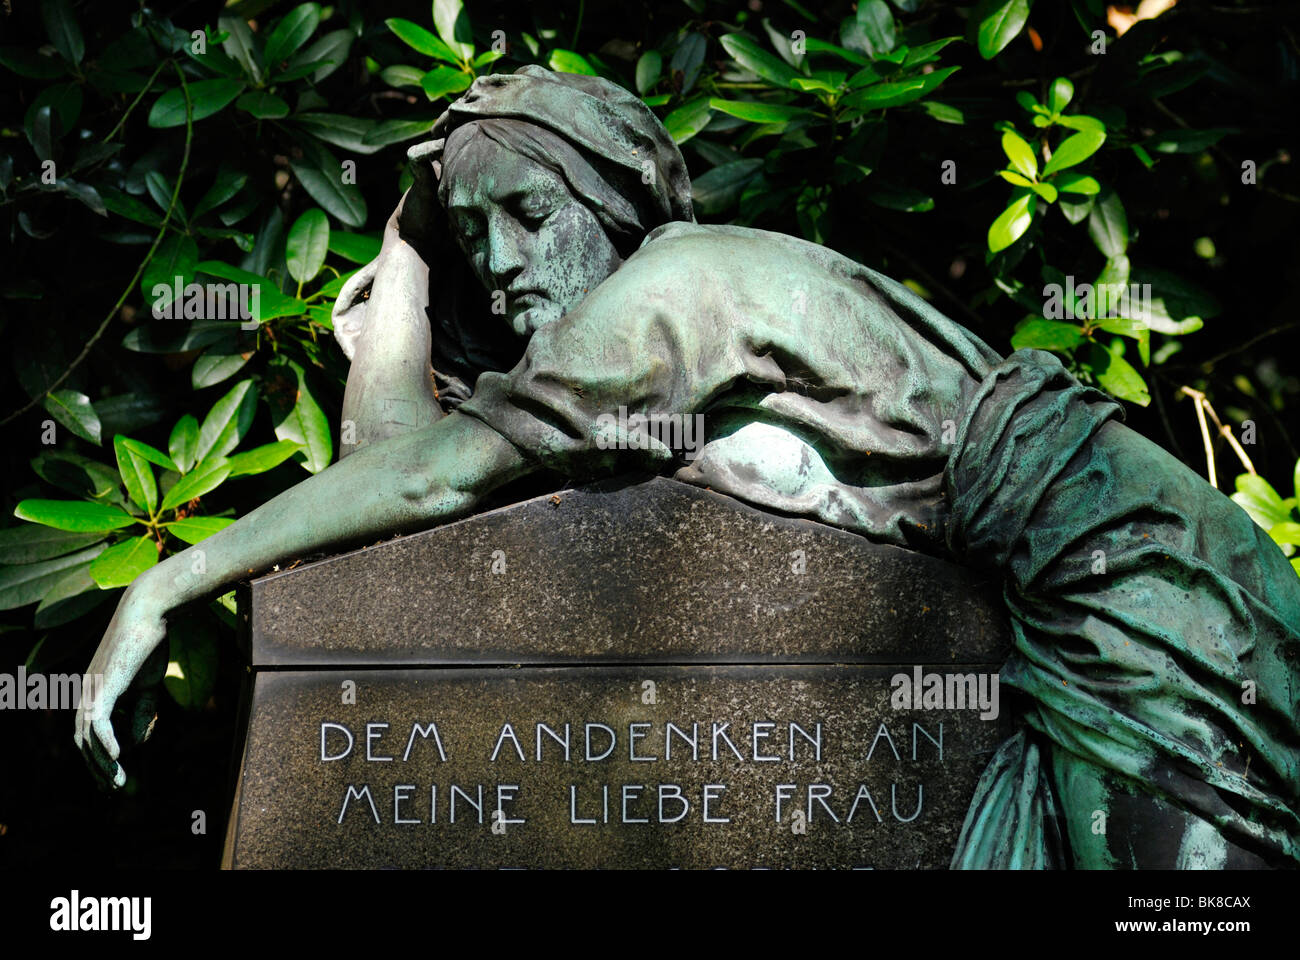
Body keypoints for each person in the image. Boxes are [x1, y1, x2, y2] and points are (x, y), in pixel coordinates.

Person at [75, 66, 1300, 869]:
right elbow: (398, 501)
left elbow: (426, 480)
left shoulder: (673, 291)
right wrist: (404, 274)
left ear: (609, 194)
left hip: (1136, 594)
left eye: (529, 213)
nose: (497, 265)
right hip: (1084, 608)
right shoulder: (663, 354)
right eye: (470, 238)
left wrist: (168, 581)